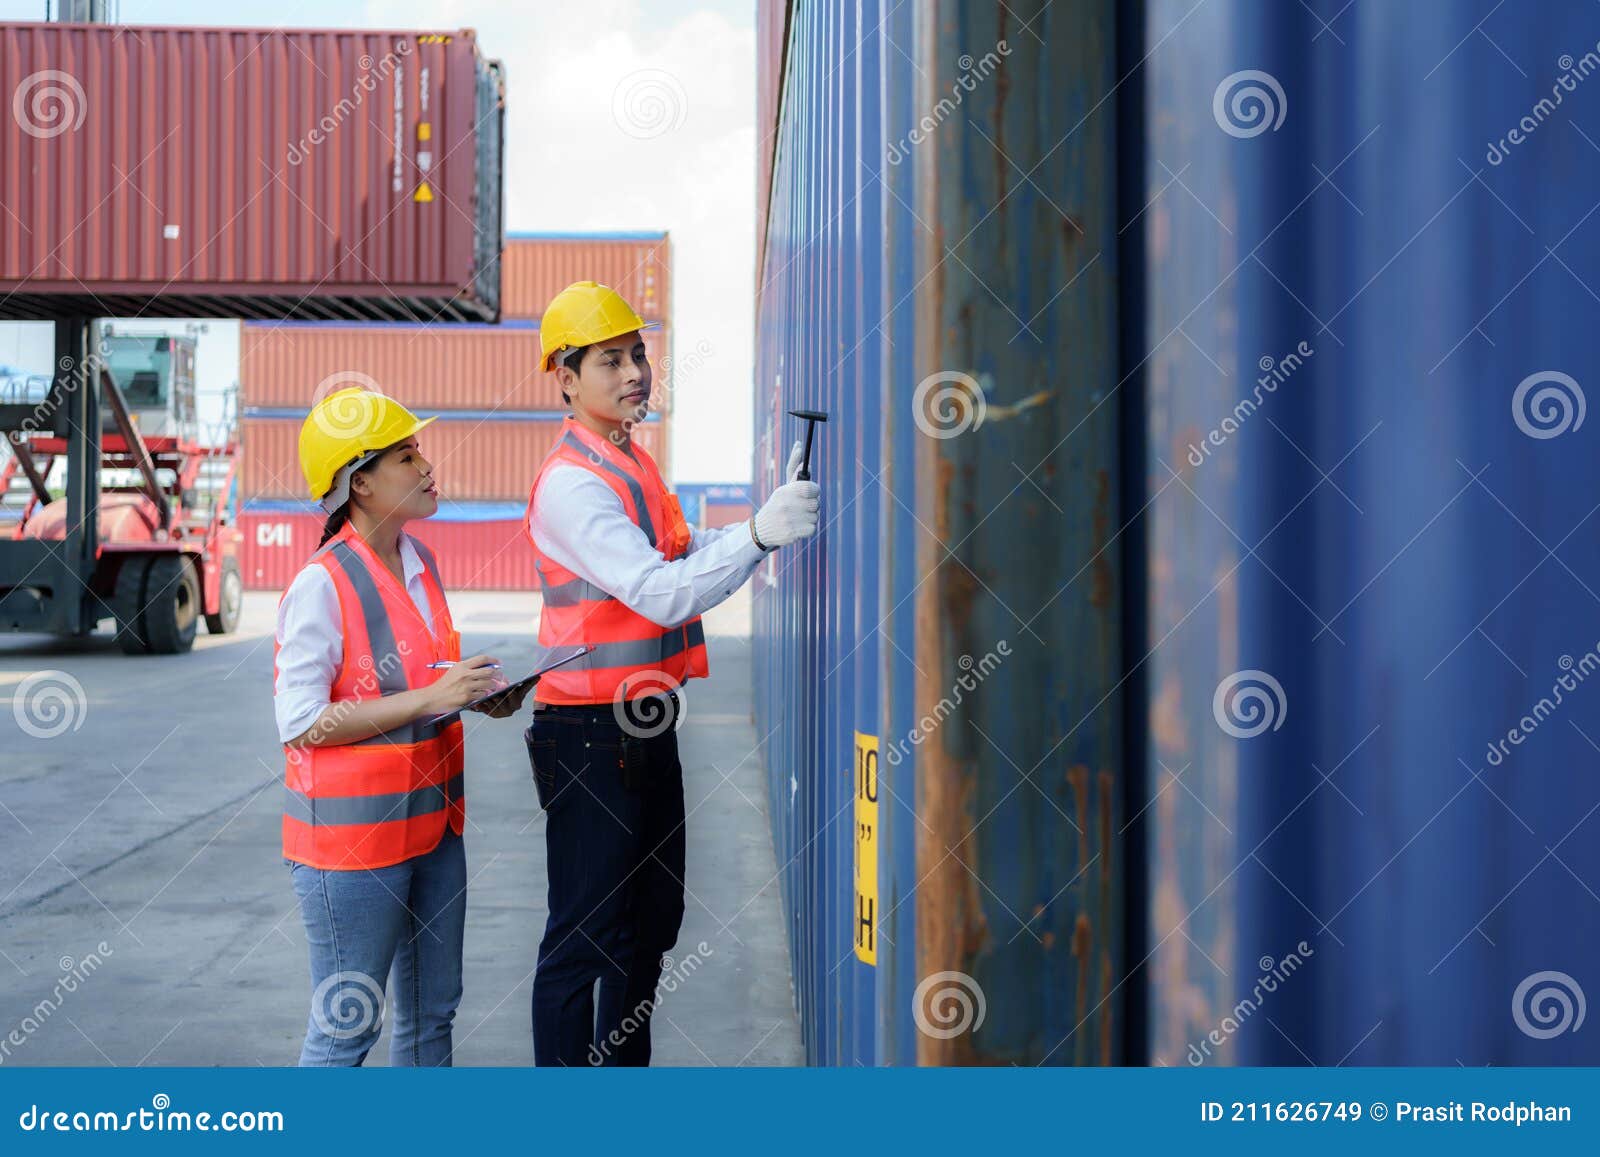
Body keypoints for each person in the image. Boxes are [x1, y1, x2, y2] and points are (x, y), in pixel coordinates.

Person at [522, 280, 822, 1065]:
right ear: (565, 376)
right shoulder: (572, 483)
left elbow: (681, 558)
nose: (634, 373)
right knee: (585, 940)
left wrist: (765, 512)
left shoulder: (630, 463)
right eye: (611, 360)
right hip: (587, 736)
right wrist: (760, 534)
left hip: (642, 730)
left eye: (639, 355)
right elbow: (659, 593)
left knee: (650, 930)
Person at [274, 387, 529, 1066]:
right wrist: (426, 699)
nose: (426, 465)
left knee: (432, 1017)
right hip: (350, 848)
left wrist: (471, 695)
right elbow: (299, 721)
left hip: (435, 829)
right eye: (407, 455)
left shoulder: (420, 564)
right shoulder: (321, 584)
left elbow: (424, 681)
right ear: (359, 482)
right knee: (345, 1029)